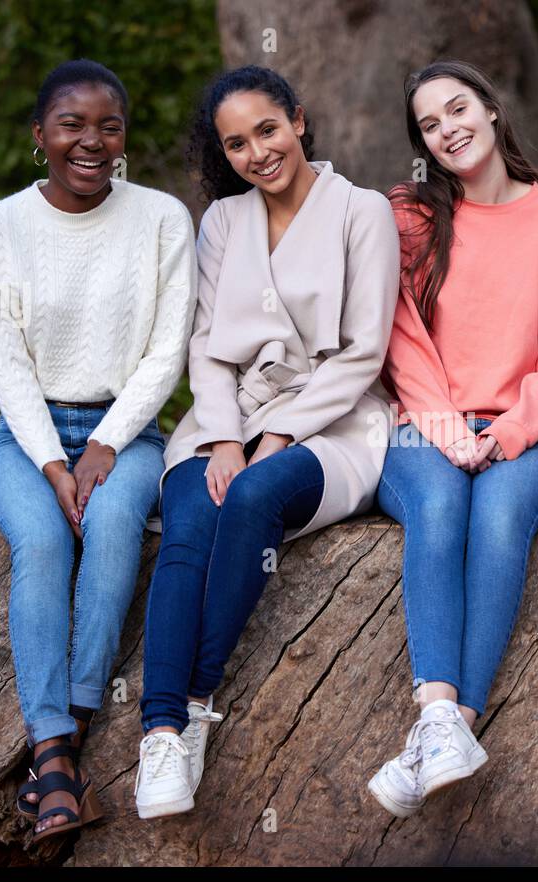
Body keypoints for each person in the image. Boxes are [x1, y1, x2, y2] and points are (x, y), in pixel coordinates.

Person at [134, 65, 400, 819]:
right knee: (190, 517)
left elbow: (363, 350)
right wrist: (221, 436)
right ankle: (158, 734)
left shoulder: (362, 211)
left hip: (333, 419)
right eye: (237, 143)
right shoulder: (223, 221)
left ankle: (192, 700)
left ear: (299, 121)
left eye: (268, 130)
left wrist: (279, 432)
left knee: (253, 496)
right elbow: (208, 347)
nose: (258, 152)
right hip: (230, 413)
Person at [0, 59, 195, 838]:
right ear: (41, 136)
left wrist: (103, 443)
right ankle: (53, 751)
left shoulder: (162, 218)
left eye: (109, 125)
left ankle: (71, 732)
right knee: (38, 540)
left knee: (116, 522)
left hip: (125, 429)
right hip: (26, 436)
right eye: (72, 124)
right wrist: (54, 460)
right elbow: (6, 364)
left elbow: (168, 351)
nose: (91, 141)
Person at [367, 61, 538, 819]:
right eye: (429, 124)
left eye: (457, 109)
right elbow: (397, 332)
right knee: (437, 510)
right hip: (421, 429)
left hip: (528, 431)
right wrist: (441, 425)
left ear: (493, 111)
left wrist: (504, 434)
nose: (447, 129)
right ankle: (440, 713)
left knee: (497, 520)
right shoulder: (411, 215)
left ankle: (450, 729)